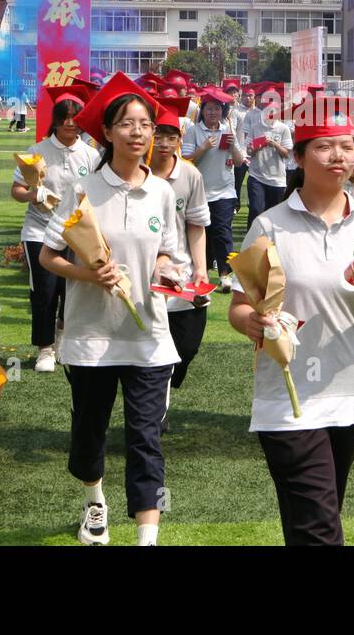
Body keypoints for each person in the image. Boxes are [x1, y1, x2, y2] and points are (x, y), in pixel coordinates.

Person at [228, 96, 354, 546]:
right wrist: (252, 322)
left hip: (351, 393)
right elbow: (239, 306)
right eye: (326, 147)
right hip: (289, 399)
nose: (340, 156)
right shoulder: (269, 225)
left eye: (348, 147)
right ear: (301, 155)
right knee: (320, 528)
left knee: (312, 520)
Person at [39, 75, 182, 547]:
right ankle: (94, 501)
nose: (139, 133)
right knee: (89, 430)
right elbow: (49, 255)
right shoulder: (84, 189)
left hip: (150, 336)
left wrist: (165, 269)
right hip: (91, 335)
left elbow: (168, 250)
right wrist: (88, 274)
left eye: (146, 125)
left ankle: (147, 534)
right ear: (108, 132)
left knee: (147, 438)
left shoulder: (162, 191)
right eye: (127, 124)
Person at [12, 85, 100, 374]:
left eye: (75, 117)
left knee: (71, 289)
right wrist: (32, 194)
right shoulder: (37, 151)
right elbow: (17, 190)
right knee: (44, 291)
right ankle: (44, 348)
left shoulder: (90, 155)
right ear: (56, 119)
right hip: (39, 229)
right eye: (64, 117)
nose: (70, 123)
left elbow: (98, 193)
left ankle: (63, 338)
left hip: (75, 233)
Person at [148, 96, 211, 404]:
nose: (163, 143)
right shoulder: (137, 171)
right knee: (153, 354)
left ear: (179, 140)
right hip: (146, 277)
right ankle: (157, 410)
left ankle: (168, 386)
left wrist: (200, 268)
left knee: (186, 347)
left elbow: (196, 225)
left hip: (181, 274)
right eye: (157, 136)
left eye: (170, 137)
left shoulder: (189, 175)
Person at [182, 88, 245, 288]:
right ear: (203, 110)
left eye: (217, 109)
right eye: (209, 109)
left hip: (225, 190)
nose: (213, 113)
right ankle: (205, 270)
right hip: (200, 191)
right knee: (204, 232)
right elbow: (186, 159)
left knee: (222, 231)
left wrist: (234, 145)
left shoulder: (228, 130)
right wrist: (203, 148)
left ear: (222, 111)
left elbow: (238, 162)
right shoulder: (194, 130)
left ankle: (226, 273)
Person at [241, 90, 293, 230]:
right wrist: (257, 148)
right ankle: (251, 240)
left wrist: (274, 144)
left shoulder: (283, 129)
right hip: (256, 175)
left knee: (274, 214)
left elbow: (286, 154)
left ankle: (271, 241)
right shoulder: (255, 127)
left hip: (277, 179)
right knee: (256, 210)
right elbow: (249, 152)